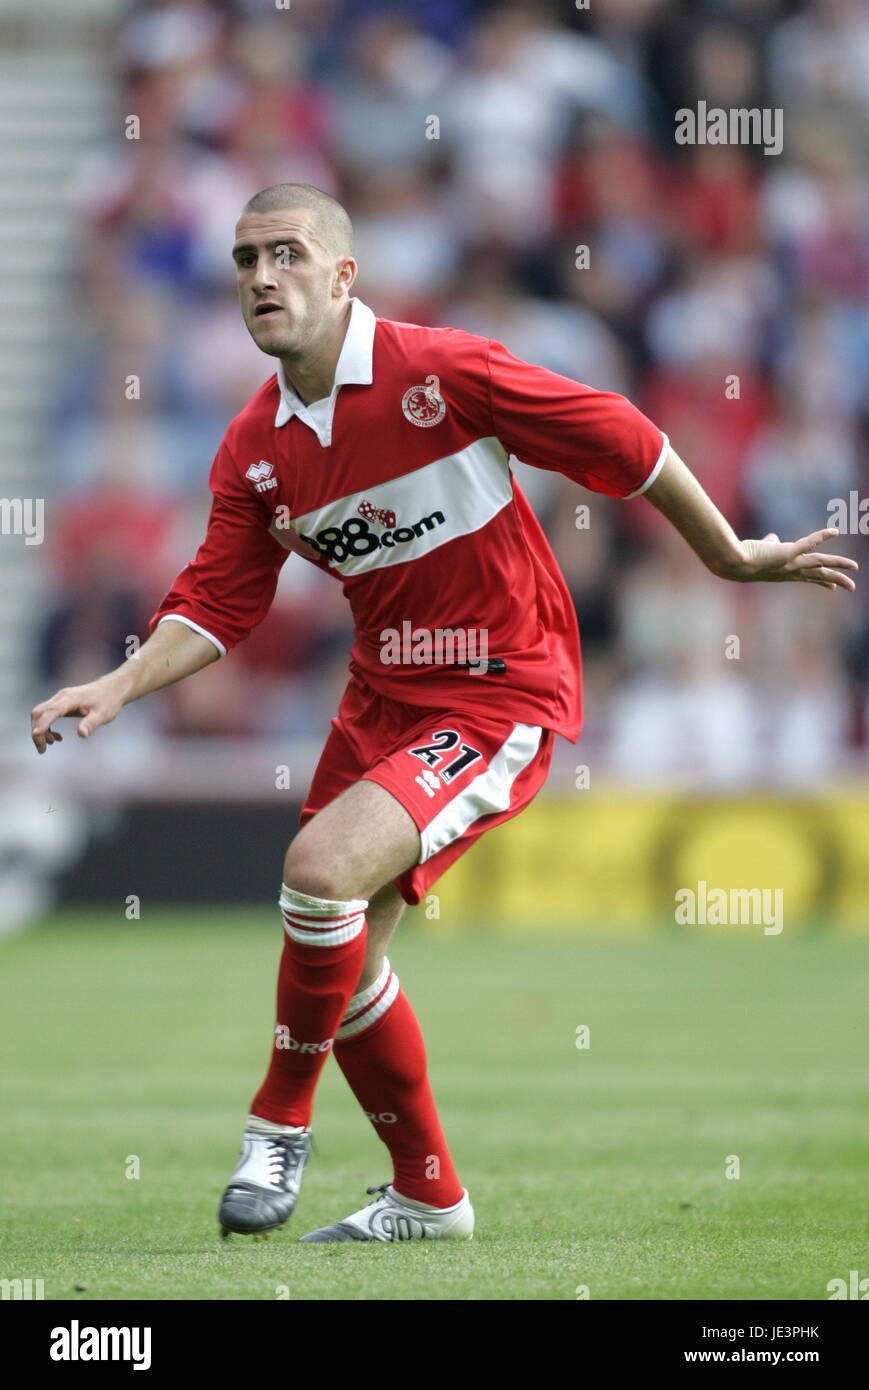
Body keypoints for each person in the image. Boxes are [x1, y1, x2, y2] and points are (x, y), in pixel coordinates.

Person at [31, 183, 858, 1243]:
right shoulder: (253, 448)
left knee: (317, 873)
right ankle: (428, 1195)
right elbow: (218, 599)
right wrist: (117, 682)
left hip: (500, 684)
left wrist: (724, 553)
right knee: (346, 955)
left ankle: (276, 1124)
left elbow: (619, 434)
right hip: (382, 701)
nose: (259, 276)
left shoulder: (439, 370)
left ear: (343, 274)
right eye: (243, 260)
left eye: (285, 253)